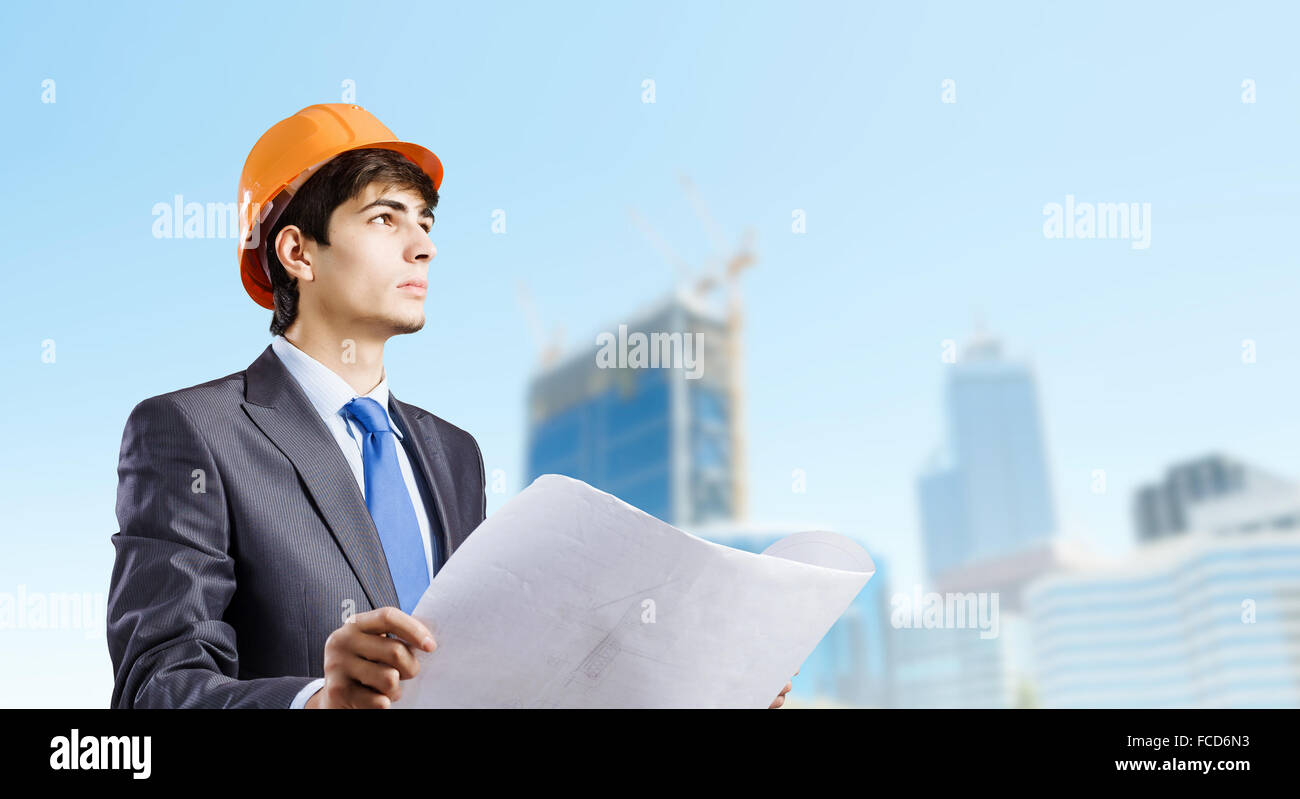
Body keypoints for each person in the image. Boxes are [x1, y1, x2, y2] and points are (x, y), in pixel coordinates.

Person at [107, 103, 794, 709]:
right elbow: (153, 686)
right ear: (296, 250)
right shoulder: (192, 431)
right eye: (385, 217)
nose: (424, 245)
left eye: (426, 221)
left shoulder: (453, 454)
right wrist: (318, 703)